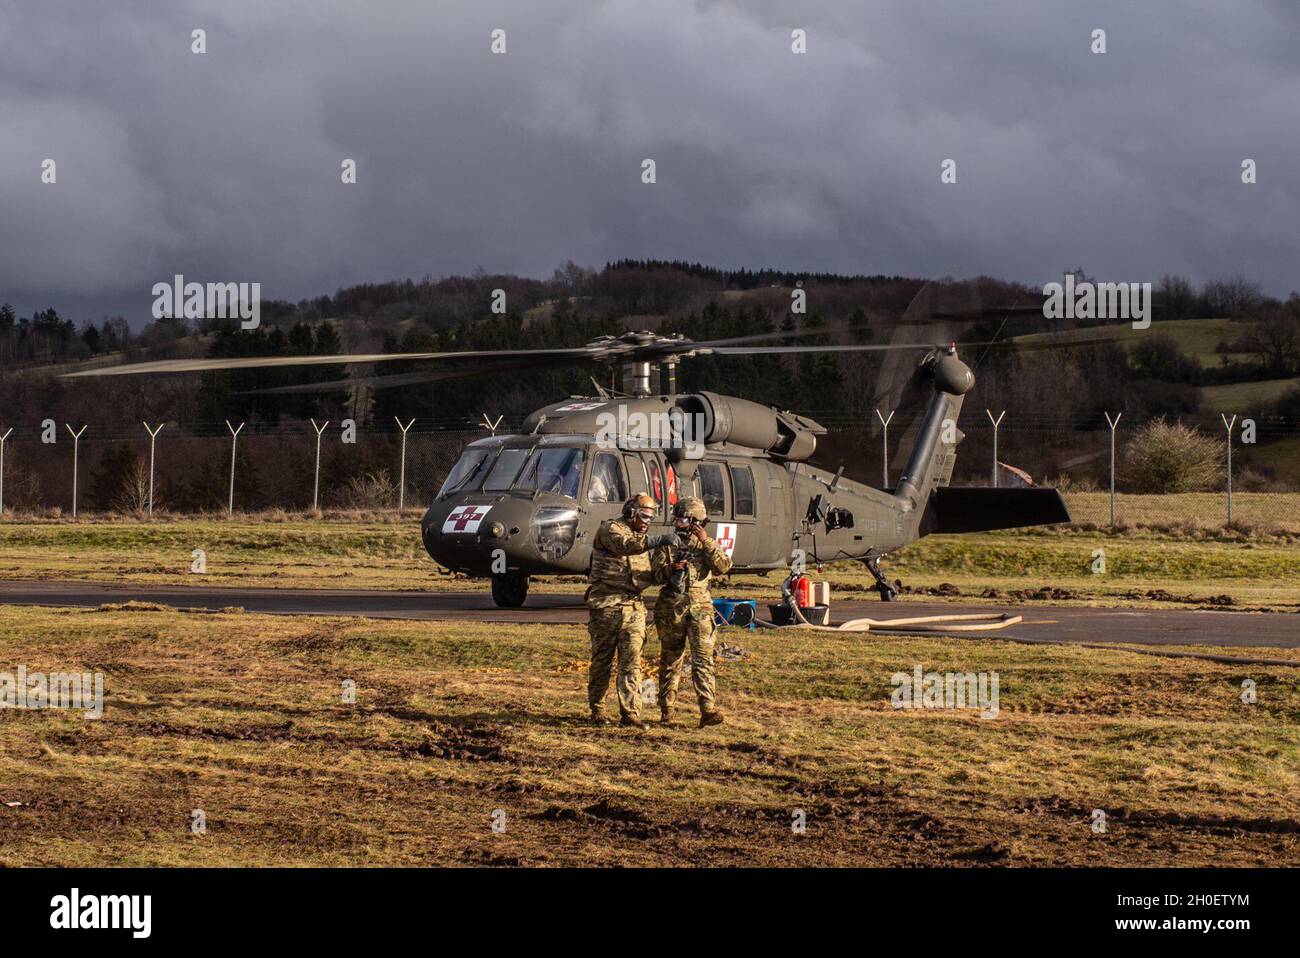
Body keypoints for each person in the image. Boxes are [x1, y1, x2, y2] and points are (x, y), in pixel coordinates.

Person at [586, 493, 675, 729]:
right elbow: (624, 546)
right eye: (644, 515)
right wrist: (660, 540)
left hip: (634, 607)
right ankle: (598, 709)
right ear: (631, 512)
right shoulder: (611, 530)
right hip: (606, 605)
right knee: (602, 661)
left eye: (651, 518)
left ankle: (630, 713)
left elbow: (652, 576)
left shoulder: (644, 540)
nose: (647, 521)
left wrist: (672, 571)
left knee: (632, 662)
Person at [650, 496, 733, 727]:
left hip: (700, 609)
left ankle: (708, 709)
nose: (678, 523)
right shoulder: (667, 544)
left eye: (683, 519)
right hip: (671, 607)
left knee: (703, 658)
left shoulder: (707, 544)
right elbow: (654, 575)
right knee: (670, 659)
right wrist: (671, 570)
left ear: (696, 522)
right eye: (677, 519)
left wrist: (706, 542)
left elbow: (724, 566)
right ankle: (667, 713)